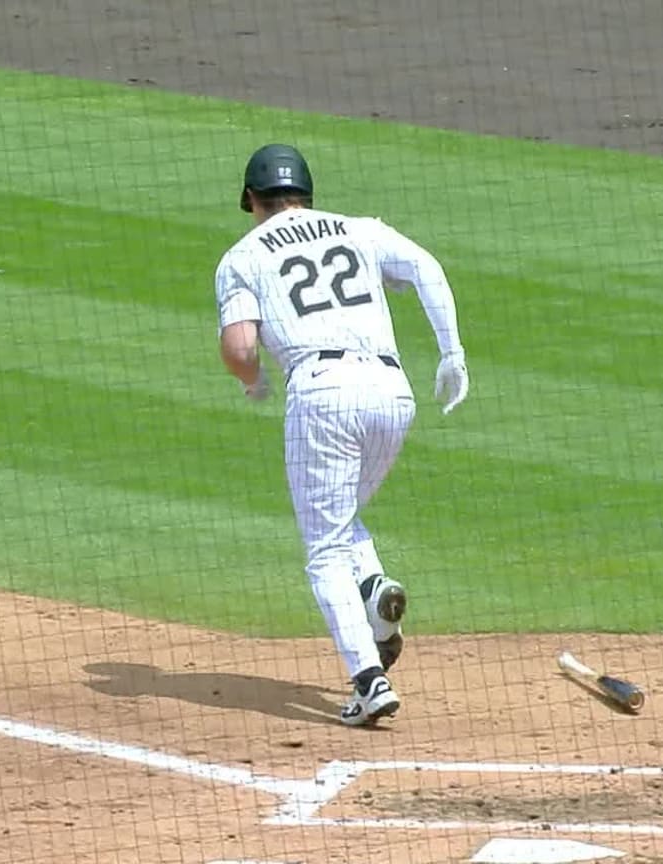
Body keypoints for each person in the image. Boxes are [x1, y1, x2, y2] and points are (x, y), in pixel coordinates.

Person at [212, 143, 469, 727]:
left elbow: (240, 347)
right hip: (392, 392)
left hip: (323, 392)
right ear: (307, 193)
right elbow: (427, 269)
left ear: (250, 198)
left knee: (323, 547)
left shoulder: (242, 256)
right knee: (340, 515)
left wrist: (252, 383)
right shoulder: (360, 229)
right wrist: (451, 353)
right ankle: (375, 592)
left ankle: (368, 679)